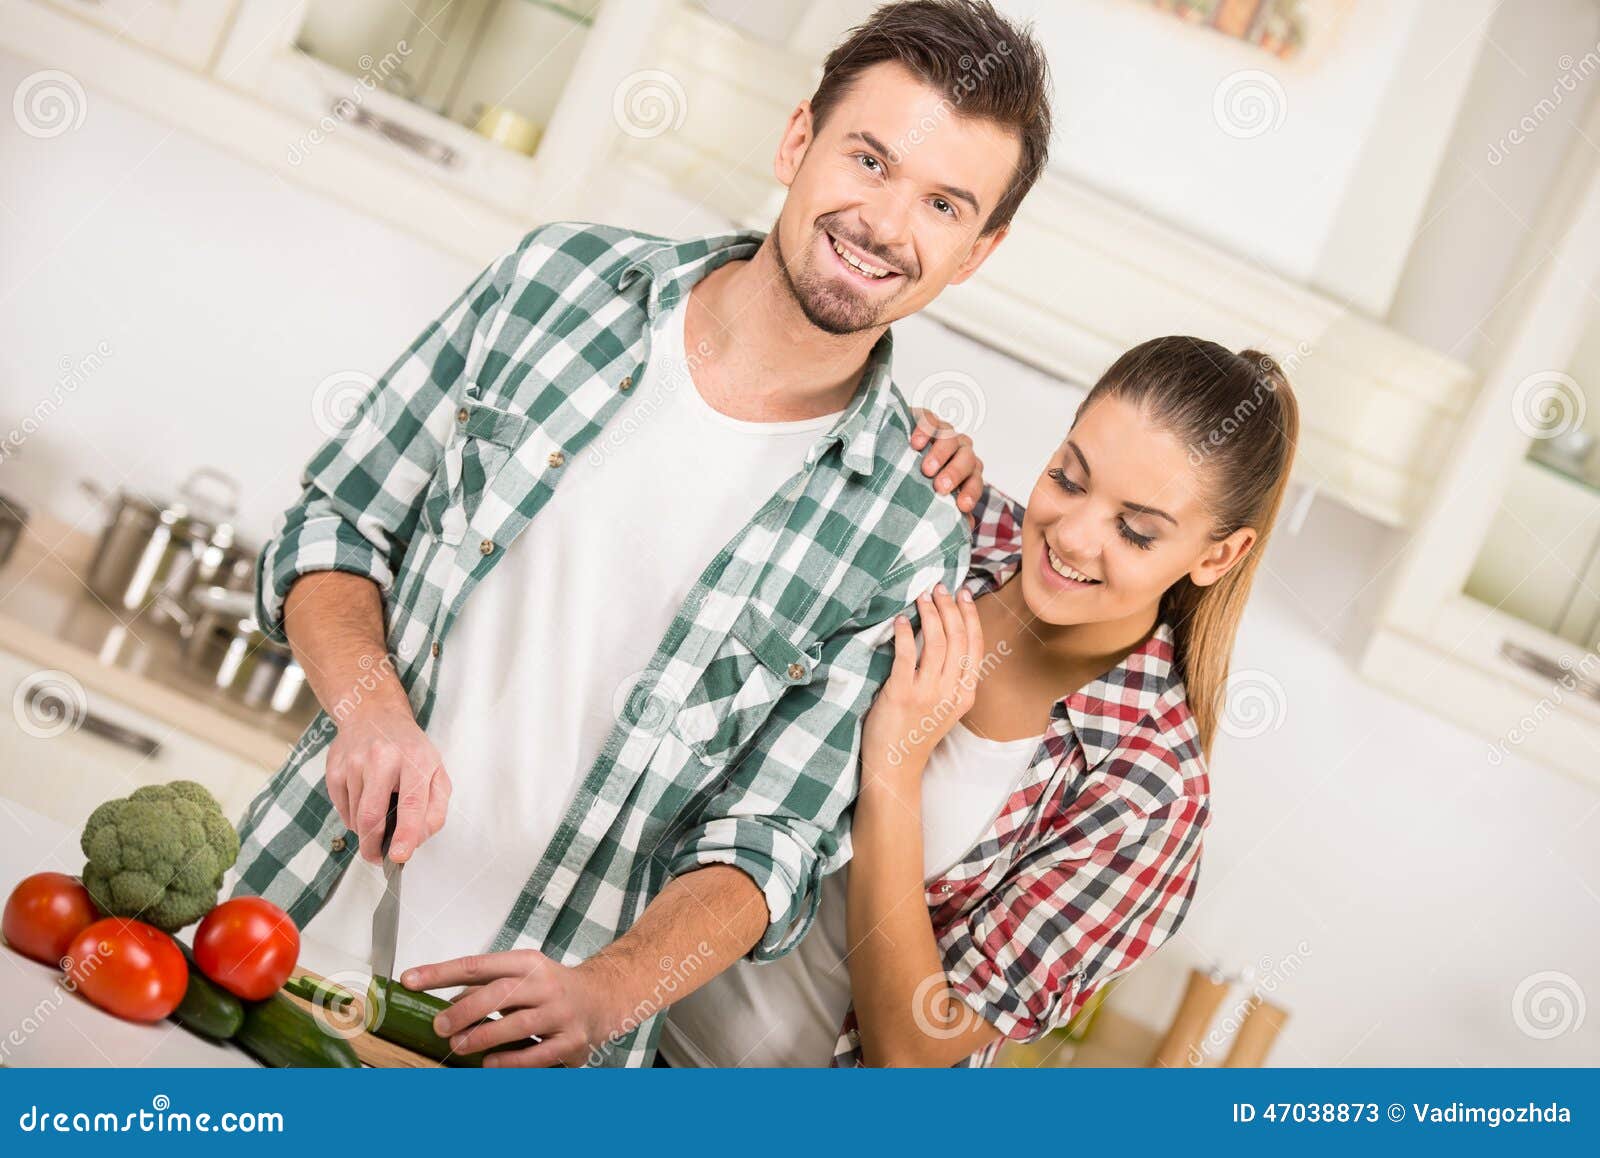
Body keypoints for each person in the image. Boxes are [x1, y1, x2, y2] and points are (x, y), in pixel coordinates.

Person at [225, 0, 1053, 1067]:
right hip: (271, 936)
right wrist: (368, 709)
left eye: (942, 202)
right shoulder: (553, 285)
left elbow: (770, 841)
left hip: (529, 1064)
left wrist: (610, 990)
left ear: (978, 250)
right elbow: (342, 521)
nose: (887, 223)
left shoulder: (906, 532)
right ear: (797, 139)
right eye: (868, 159)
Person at [659, 336, 1300, 1067]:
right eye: (1069, 478)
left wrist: (895, 770)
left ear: (1217, 555)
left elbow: (914, 1047)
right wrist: (899, 443)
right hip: (622, 1023)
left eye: (1134, 529)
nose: (1073, 534)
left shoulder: (1151, 792)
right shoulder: (949, 522)